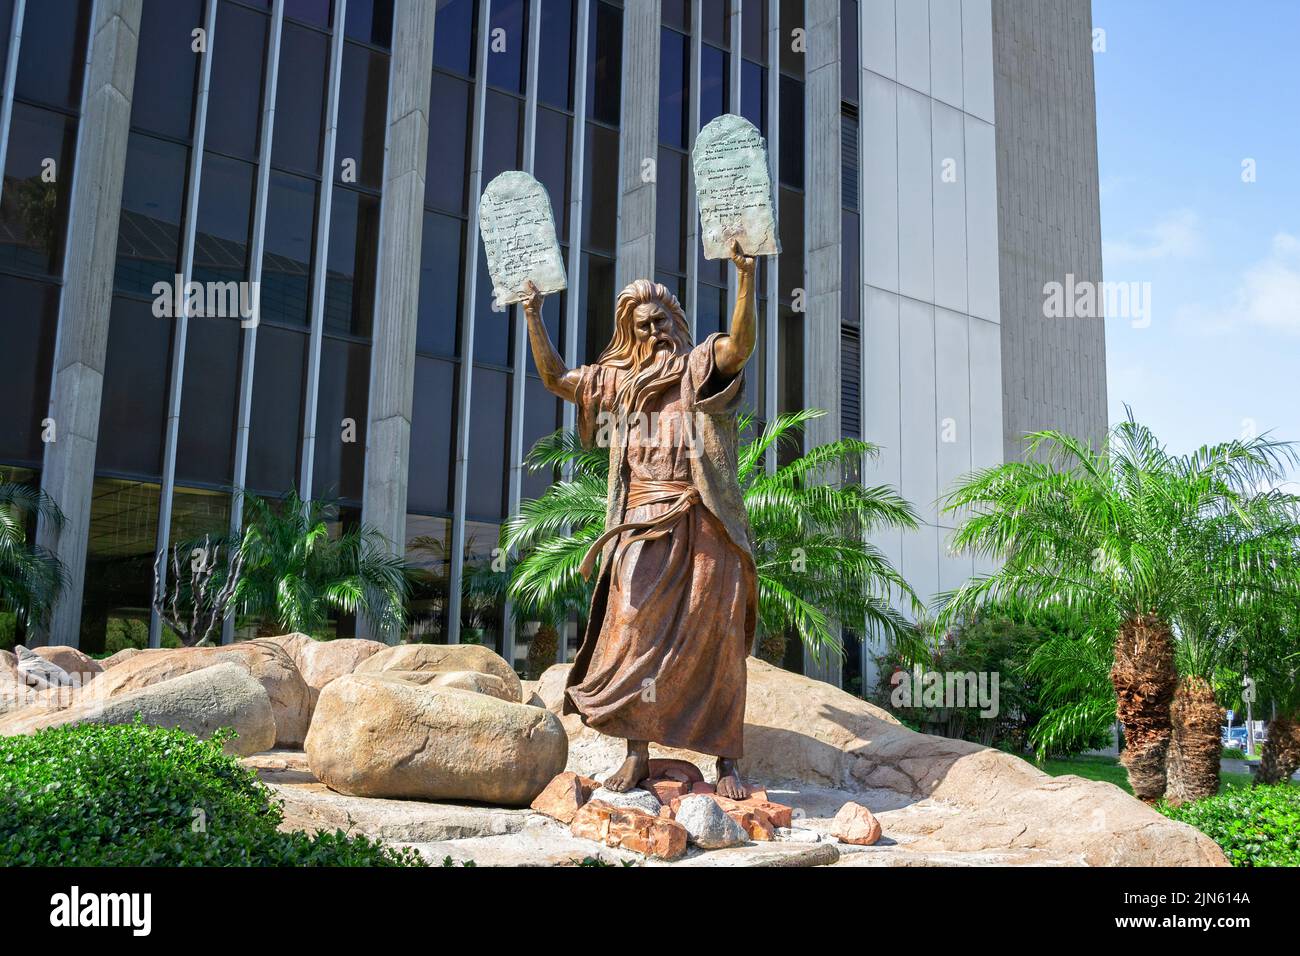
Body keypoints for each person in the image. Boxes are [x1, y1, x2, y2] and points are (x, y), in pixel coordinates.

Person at [520, 241, 758, 798]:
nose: (654, 333)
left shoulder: (697, 368)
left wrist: (745, 281)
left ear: (675, 323)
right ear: (630, 333)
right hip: (639, 521)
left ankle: (727, 761)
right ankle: (637, 754)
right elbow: (556, 377)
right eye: (642, 326)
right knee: (629, 628)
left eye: (661, 322)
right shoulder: (615, 382)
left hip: (703, 522)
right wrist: (533, 316)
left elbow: (740, 345)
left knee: (717, 636)